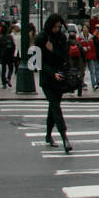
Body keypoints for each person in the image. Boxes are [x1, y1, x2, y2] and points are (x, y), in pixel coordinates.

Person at [35, 14, 73, 154]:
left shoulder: (61, 38)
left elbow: (64, 56)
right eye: (55, 26)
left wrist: (53, 51)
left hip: (59, 77)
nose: (57, 29)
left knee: (53, 106)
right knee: (55, 106)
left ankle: (48, 135)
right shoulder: (41, 38)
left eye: (59, 26)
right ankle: (64, 137)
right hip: (47, 78)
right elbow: (39, 61)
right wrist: (52, 74)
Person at [0, 21, 17, 89]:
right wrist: (13, 53)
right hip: (10, 54)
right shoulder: (10, 36)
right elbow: (14, 45)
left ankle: (4, 82)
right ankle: (8, 78)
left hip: (3, 54)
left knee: (3, 69)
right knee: (11, 68)